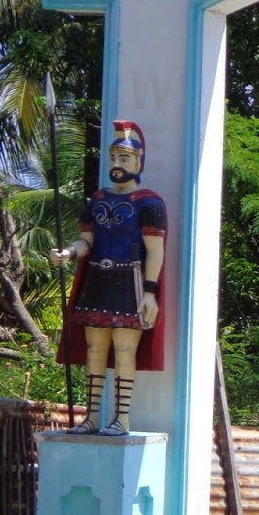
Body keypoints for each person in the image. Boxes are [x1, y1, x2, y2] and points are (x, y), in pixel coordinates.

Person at [50, 120, 166, 436]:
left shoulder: (149, 204)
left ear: (139, 161)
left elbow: (155, 251)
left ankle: (122, 418)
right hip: (97, 282)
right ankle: (91, 417)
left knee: (125, 350)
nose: (117, 164)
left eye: (124, 158)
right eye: (114, 157)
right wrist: (68, 253)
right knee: (95, 351)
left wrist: (150, 292)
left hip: (130, 284)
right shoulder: (96, 201)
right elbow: (86, 242)